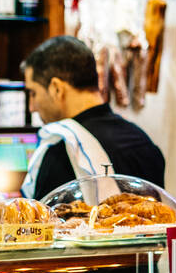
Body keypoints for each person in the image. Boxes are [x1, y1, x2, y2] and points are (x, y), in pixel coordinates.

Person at [20, 35, 165, 199]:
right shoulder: (143, 141)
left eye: (33, 93)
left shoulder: (63, 150)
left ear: (56, 89)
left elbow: (41, 223)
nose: (32, 107)